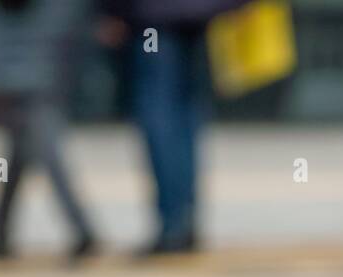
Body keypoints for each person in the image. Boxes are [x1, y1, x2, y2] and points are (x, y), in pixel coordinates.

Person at [97, 0, 249, 256]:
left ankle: (172, 223)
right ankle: (184, 221)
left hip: (151, 16)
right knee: (185, 112)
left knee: (159, 113)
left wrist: (110, 10)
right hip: (198, 14)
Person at [0, 0, 96, 261]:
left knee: (37, 151)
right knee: (28, 151)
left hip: (31, 81)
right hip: (31, 78)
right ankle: (79, 230)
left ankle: (81, 230)